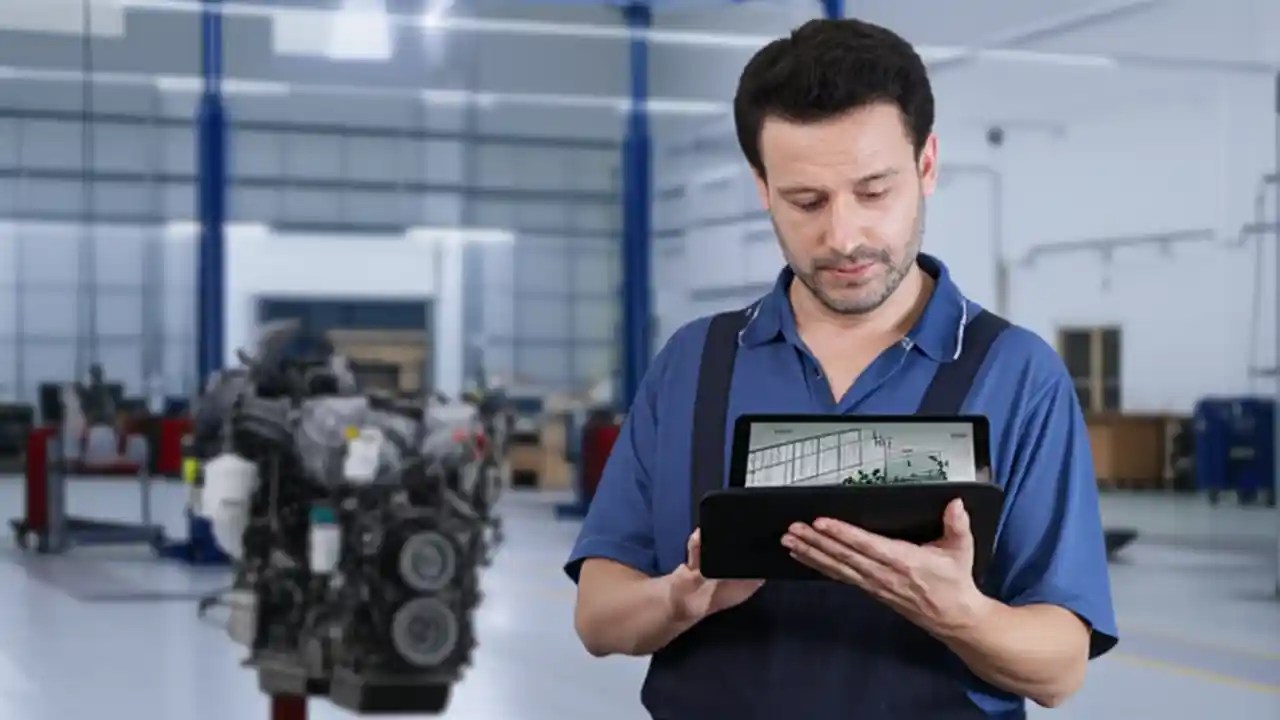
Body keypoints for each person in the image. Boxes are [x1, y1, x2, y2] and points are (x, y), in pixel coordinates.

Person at [564, 17, 1117, 720]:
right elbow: (598, 615)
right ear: (762, 187)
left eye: (875, 191)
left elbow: (1060, 667)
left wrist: (958, 613)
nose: (845, 236)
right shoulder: (694, 366)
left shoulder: (1017, 377)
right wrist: (679, 597)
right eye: (807, 202)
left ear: (927, 166)